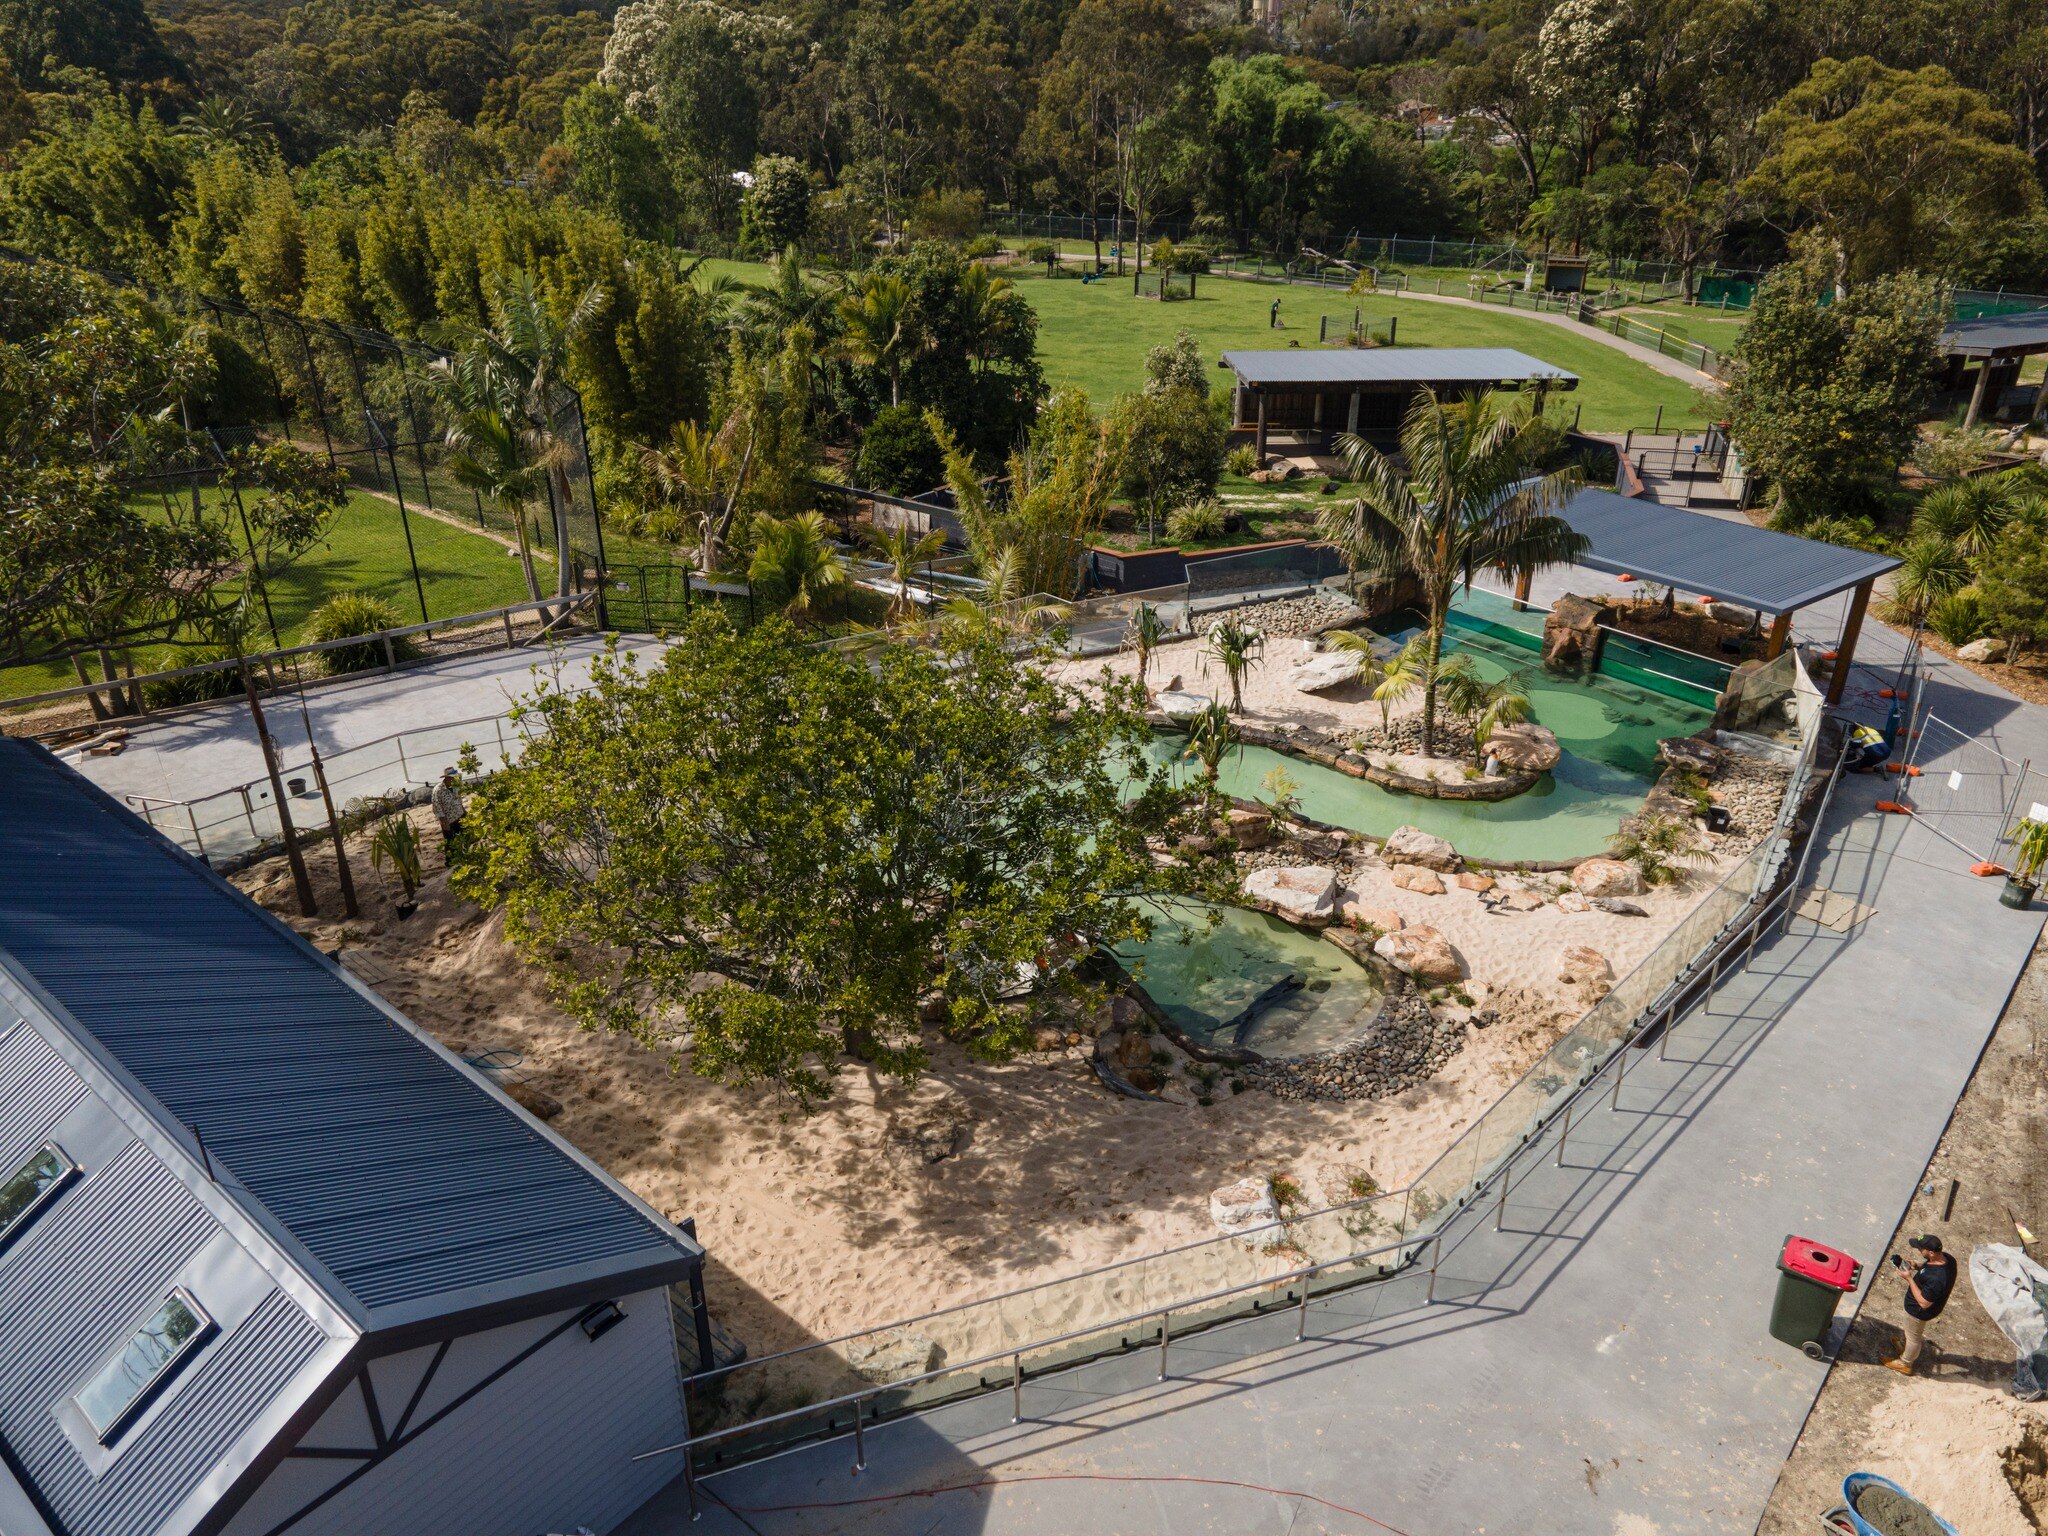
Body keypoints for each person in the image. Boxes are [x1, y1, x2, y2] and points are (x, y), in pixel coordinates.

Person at [1883, 1234, 1957, 1375]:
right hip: (1915, 1307)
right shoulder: (1947, 1259)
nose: (1918, 1250)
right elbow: (1930, 1266)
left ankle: (1905, 1362)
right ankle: (1906, 1347)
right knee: (1910, 1331)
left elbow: (1923, 1303)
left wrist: (1909, 1278)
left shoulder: (1938, 1279)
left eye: (1920, 1248)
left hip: (1918, 1311)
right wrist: (1917, 1266)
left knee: (1913, 1337)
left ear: (1931, 1252)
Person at [430, 767, 466, 856]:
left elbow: (459, 800)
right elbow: (436, 807)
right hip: (448, 820)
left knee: (465, 837)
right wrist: (443, 822)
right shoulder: (438, 790)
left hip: (460, 815)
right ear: (447, 778)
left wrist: (464, 811)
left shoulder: (456, 785)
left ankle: (465, 856)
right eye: (453, 777)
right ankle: (450, 861)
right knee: (450, 842)